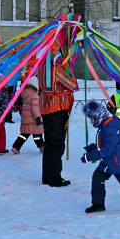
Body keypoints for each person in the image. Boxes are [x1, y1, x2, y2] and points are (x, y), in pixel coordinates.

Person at [38, 44, 77, 187]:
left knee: (49, 142)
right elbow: (72, 84)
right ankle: (54, 177)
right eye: (56, 51)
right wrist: (69, 69)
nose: (59, 53)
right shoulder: (57, 67)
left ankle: (47, 177)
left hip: (46, 106)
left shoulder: (42, 67)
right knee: (57, 143)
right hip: (57, 107)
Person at [11, 76, 44, 154]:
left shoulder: (24, 93)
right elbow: (35, 108)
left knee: (24, 134)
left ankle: (16, 146)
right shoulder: (34, 95)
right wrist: (38, 117)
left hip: (26, 118)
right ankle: (42, 146)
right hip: (33, 119)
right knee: (37, 134)